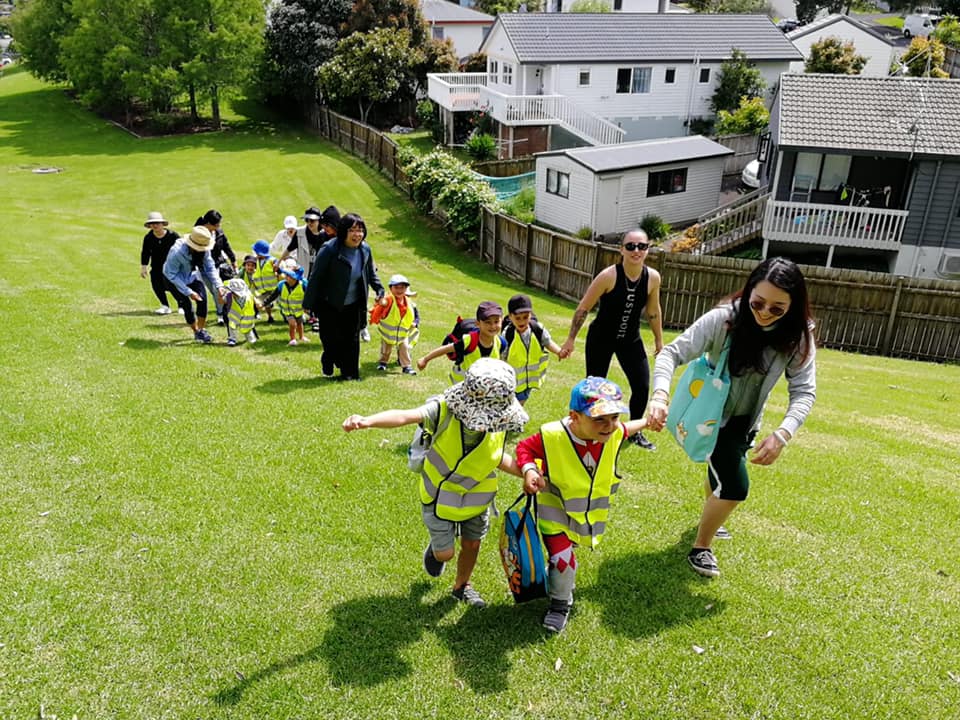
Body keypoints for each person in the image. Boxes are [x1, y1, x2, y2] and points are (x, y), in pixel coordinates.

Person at [646, 257, 817, 579]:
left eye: (778, 309)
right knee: (736, 487)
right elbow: (671, 353)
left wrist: (782, 434)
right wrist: (659, 396)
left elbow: (804, 391)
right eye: (758, 303)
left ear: (793, 308)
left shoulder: (798, 336)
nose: (765, 313)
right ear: (749, 293)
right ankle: (701, 548)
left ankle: (712, 516)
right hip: (710, 417)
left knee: (722, 475)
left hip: (746, 421)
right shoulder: (723, 320)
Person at [342, 358, 528, 608]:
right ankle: (437, 550)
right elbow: (405, 416)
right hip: (438, 495)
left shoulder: (500, 424)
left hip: (477, 498)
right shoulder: (443, 410)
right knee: (445, 554)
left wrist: (527, 471)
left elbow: (495, 457)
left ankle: (462, 586)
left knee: (472, 544)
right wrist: (367, 420)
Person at [516, 377, 651, 633]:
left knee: (564, 557)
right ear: (574, 417)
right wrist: (529, 469)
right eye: (599, 418)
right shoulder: (553, 436)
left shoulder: (613, 433)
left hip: (585, 518)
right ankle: (560, 604)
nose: (609, 426)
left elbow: (627, 429)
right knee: (563, 559)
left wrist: (648, 422)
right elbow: (524, 448)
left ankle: (557, 581)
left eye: (613, 417)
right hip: (554, 513)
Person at [559, 229, 663, 451]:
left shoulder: (652, 277)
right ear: (621, 249)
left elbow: (653, 311)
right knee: (594, 390)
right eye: (631, 246)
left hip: (630, 340)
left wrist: (659, 341)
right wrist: (570, 340)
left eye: (641, 246)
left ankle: (635, 434)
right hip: (601, 339)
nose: (636, 251)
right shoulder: (609, 276)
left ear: (648, 249)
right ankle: (588, 432)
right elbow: (583, 308)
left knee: (642, 386)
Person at [303, 212, 385, 380]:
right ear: (343, 231)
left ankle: (350, 374)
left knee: (352, 340)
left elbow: (370, 273)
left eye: (360, 230)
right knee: (330, 339)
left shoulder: (365, 250)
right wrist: (308, 302)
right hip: (329, 303)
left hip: (354, 303)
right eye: (353, 230)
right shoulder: (330, 249)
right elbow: (316, 276)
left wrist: (380, 289)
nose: (357, 235)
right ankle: (329, 358)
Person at [162, 226, 226, 344]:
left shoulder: (204, 251)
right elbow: (171, 274)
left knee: (202, 300)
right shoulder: (176, 252)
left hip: (192, 276)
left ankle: (201, 331)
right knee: (187, 305)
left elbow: (210, 268)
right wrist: (189, 292)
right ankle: (195, 330)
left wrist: (220, 286)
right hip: (173, 280)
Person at [416, 301, 507, 384]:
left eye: (496, 322)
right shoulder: (470, 340)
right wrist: (425, 359)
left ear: (501, 321)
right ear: (478, 323)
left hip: (481, 387)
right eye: (488, 322)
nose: (493, 326)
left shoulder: (500, 343)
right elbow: (447, 349)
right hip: (460, 384)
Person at [502, 293, 564, 405]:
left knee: (521, 402)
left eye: (525, 317)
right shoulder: (508, 333)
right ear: (510, 317)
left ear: (531, 315)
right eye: (517, 318)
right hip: (513, 380)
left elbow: (547, 342)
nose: (522, 322)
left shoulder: (537, 329)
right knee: (515, 405)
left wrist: (559, 351)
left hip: (530, 379)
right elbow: (502, 355)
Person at [369, 273, 419, 374]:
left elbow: (415, 315)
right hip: (388, 333)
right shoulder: (389, 299)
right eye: (396, 287)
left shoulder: (409, 302)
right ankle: (383, 362)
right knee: (386, 349)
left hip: (402, 333)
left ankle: (406, 366)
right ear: (391, 288)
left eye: (403, 288)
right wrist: (380, 301)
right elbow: (383, 303)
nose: (400, 290)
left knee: (404, 348)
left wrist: (415, 323)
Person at [195, 209, 236, 324]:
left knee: (217, 289)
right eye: (216, 224)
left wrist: (233, 259)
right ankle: (223, 309)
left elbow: (226, 245)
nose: (218, 226)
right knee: (213, 291)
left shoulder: (219, 232)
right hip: (202, 267)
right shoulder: (198, 232)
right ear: (208, 224)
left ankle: (221, 315)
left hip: (216, 265)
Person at [139, 211, 180, 315]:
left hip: (172, 266)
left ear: (162, 224)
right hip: (157, 266)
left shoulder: (173, 236)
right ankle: (165, 305)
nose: (155, 225)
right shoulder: (148, 238)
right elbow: (145, 252)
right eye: (152, 223)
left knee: (173, 285)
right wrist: (144, 267)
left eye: (157, 223)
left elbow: (182, 250)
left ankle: (182, 305)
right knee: (156, 284)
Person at [262, 259, 310, 346]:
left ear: (296, 278)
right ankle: (292, 339)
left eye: (290, 276)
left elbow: (309, 296)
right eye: (287, 275)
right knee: (292, 324)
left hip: (298, 309)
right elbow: (273, 295)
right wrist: (264, 303)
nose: (287, 277)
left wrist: (308, 306)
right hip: (287, 310)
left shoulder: (303, 285)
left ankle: (301, 336)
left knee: (300, 322)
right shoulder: (281, 285)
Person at [222, 278, 259, 347]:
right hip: (233, 316)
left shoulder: (248, 295)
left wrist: (257, 303)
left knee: (248, 328)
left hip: (247, 317)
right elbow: (222, 301)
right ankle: (232, 339)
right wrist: (221, 294)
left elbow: (253, 298)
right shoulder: (229, 296)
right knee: (231, 327)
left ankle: (251, 339)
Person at [249, 240, 279, 324]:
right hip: (263, 288)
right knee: (266, 304)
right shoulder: (257, 260)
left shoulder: (272, 260)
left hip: (274, 288)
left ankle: (288, 316)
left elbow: (279, 268)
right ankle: (270, 317)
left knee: (282, 303)